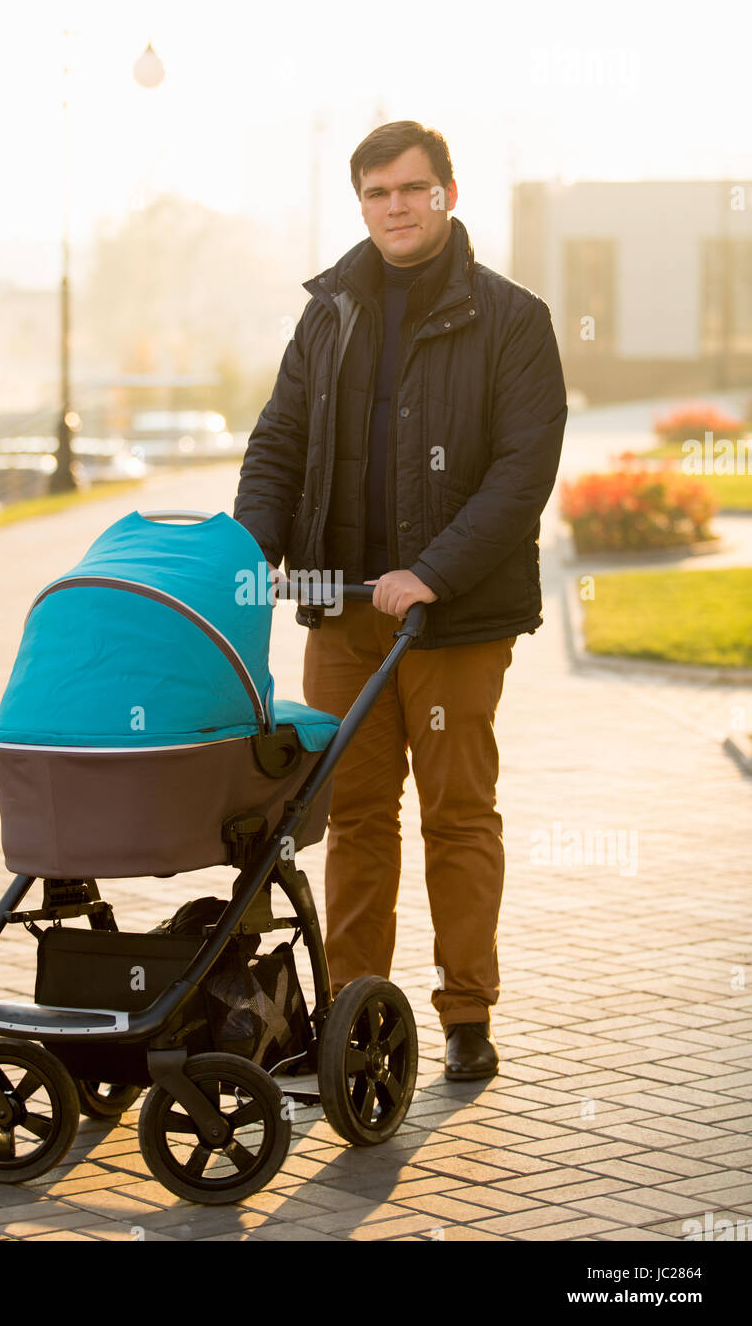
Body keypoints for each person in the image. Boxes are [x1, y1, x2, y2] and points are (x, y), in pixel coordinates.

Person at [233, 120, 567, 1080]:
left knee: (457, 815)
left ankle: (466, 1014)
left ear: (448, 194)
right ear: (362, 204)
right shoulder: (328, 312)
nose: (396, 208)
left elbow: (520, 469)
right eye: (377, 194)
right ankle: (352, 1014)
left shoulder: (511, 318)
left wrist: (434, 572)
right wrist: (252, 550)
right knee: (355, 814)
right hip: (342, 615)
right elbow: (278, 442)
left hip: (454, 619)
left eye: (412, 190)